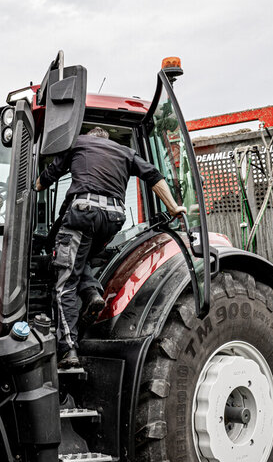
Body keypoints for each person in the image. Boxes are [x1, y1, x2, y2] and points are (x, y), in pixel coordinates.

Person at [35, 127, 186, 369]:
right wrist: (173, 208)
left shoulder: (78, 142)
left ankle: (68, 349)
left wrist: (35, 185)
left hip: (84, 214)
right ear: (106, 140)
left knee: (65, 281)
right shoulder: (125, 151)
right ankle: (93, 293)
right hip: (113, 219)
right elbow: (154, 176)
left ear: (90, 137)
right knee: (78, 261)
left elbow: (50, 174)